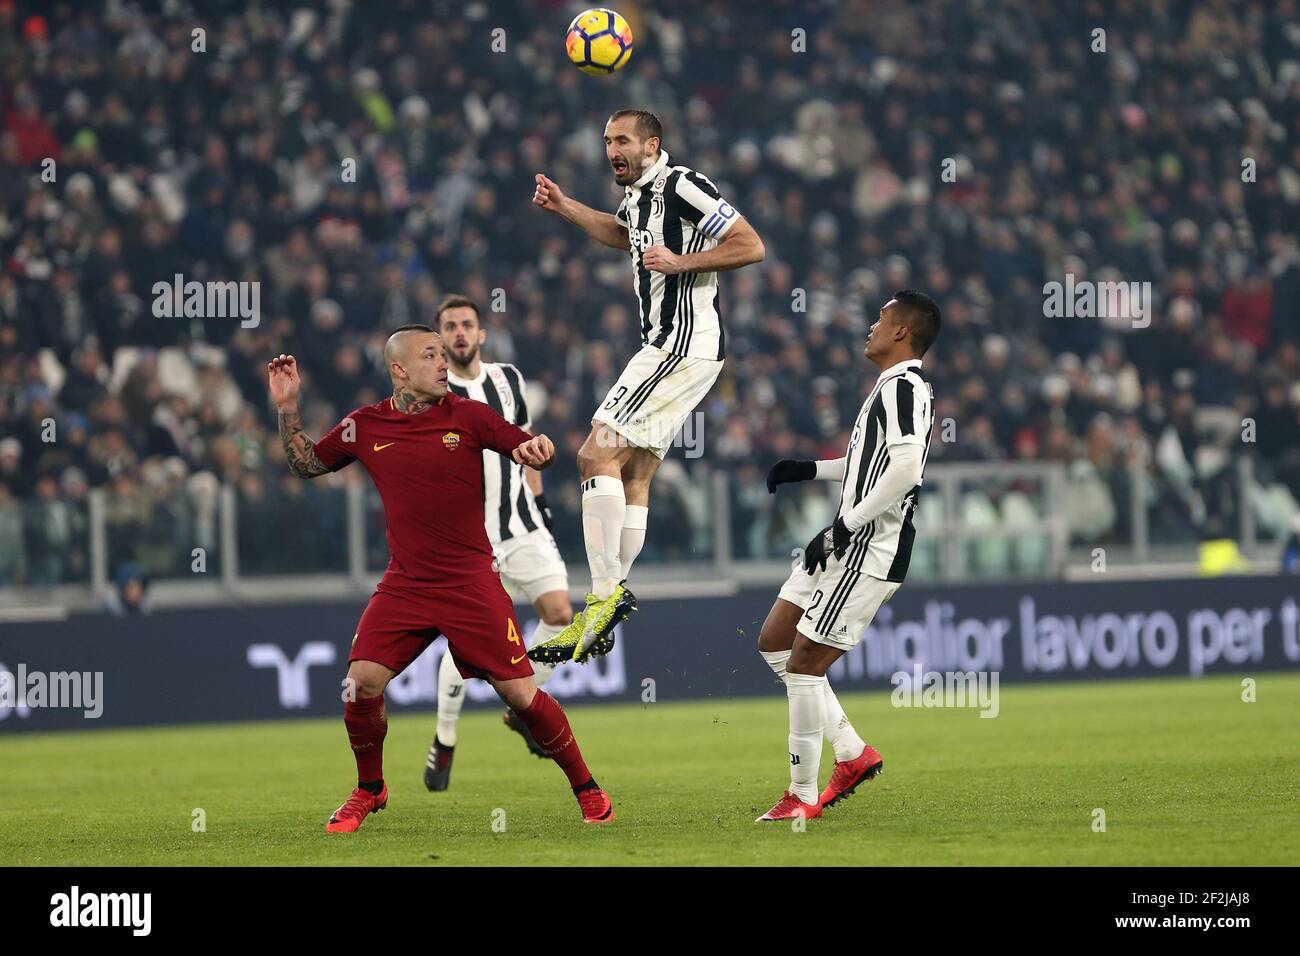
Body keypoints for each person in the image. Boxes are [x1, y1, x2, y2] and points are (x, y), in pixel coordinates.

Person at [267, 327, 614, 830]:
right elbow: (305, 464)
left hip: (470, 581)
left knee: (520, 695)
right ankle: (370, 789)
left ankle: (587, 787)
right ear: (400, 369)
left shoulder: (468, 416)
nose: (443, 361)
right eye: (430, 354)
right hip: (405, 584)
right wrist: (287, 406)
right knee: (359, 684)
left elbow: (525, 444)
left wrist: (539, 449)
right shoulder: (364, 425)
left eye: (443, 353)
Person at [529, 107, 766, 663]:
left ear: (652, 144)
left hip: (679, 343)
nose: (612, 149)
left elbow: (750, 244)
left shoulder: (682, 185)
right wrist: (565, 206)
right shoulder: (638, 197)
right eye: (607, 140)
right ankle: (609, 603)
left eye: (623, 140)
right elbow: (621, 234)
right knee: (634, 472)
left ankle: (601, 601)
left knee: (594, 454)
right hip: (679, 349)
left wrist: (683, 261)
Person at [757, 290, 940, 821]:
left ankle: (802, 795)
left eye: (880, 319)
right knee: (775, 642)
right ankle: (853, 753)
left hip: (868, 548)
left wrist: (842, 527)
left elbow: (906, 472)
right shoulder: (890, 389)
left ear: (902, 331)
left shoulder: (904, 388)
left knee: (805, 665)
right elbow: (868, 465)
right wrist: (807, 469)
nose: (871, 326)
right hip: (850, 540)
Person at [423, 294, 576, 790]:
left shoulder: (509, 379)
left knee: (561, 617)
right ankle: (444, 741)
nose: (460, 333)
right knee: (467, 645)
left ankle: (524, 707)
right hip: (472, 541)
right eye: (450, 326)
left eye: (468, 324)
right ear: (440, 338)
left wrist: (543, 505)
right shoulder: (431, 395)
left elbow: (527, 446)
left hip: (523, 526)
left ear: (481, 333)